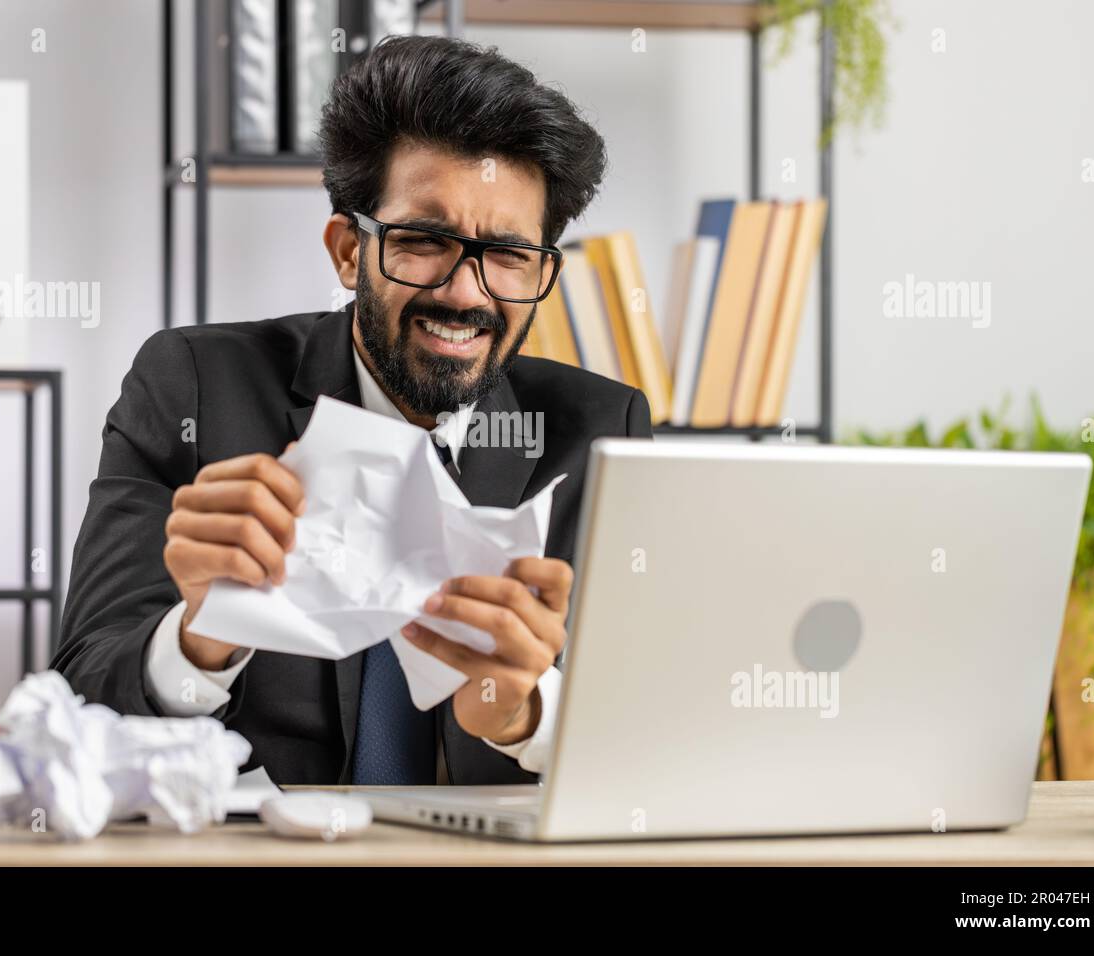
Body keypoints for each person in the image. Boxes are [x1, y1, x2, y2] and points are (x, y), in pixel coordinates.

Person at [55, 34, 652, 786]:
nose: (467, 293)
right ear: (347, 250)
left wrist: (525, 716)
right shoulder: (195, 389)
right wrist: (198, 637)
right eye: (424, 240)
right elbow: (76, 701)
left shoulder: (601, 431)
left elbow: (655, 740)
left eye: (507, 254)